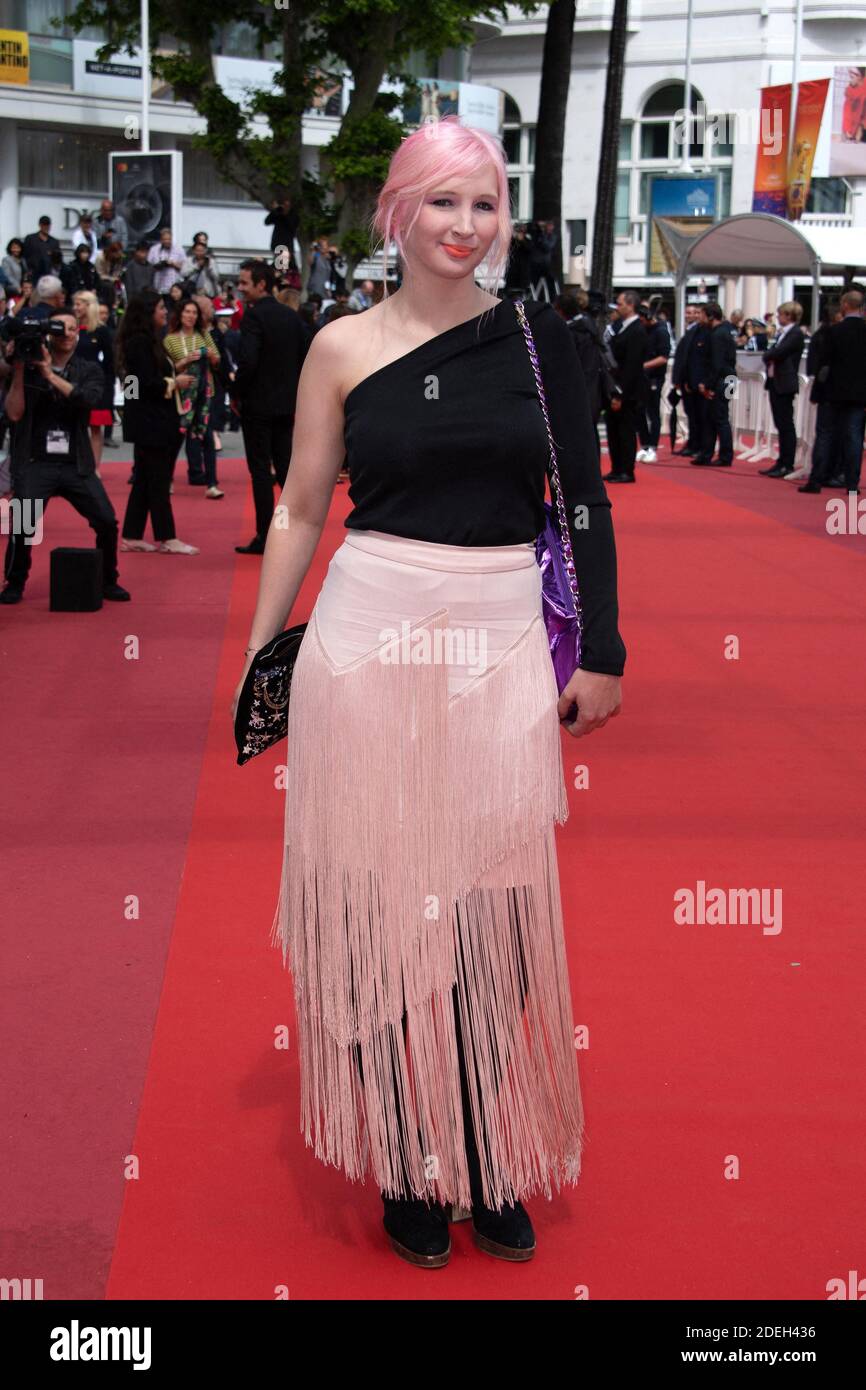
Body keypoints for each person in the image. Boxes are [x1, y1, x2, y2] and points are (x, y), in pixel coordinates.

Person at [230, 116, 626, 1267]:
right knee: (385, 910)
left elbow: (586, 501)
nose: (464, 226)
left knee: (494, 908)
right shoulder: (339, 346)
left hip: (499, 640)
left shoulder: (542, 344)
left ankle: (487, 1149)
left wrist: (599, 648)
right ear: (397, 211)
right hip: (369, 645)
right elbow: (302, 508)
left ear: (503, 219)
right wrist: (269, 661)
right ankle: (407, 1151)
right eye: (441, 203)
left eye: (483, 204)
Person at [0, 310, 129, 605]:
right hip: (36, 461)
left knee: (107, 521)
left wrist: (49, 375)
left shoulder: (88, 369)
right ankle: (14, 581)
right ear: (50, 334)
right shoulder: (28, 366)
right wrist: (19, 367)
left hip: (76, 462)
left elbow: (88, 400)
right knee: (22, 524)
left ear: (79, 334)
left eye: (73, 328)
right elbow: (14, 413)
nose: (67, 333)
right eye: (61, 328)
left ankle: (108, 579)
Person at [232, 259, 309, 552]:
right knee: (286, 469)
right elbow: (307, 353)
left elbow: (248, 361)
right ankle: (294, 532)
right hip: (286, 405)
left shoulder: (254, 317)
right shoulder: (290, 317)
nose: (240, 288)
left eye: (244, 283)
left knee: (261, 471)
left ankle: (266, 536)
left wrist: (235, 392)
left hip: (258, 406)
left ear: (261, 284)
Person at [116, 290, 199, 553]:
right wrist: (175, 382)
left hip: (149, 420)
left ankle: (131, 534)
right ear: (148, 312)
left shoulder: (145, 341)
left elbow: (137, 384)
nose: (166, 312)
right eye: (161, 308)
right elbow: (141, 384)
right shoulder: (139, 343)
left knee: (144, 480)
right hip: (151, 423)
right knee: (158, 481)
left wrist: (177, 370)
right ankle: (167, 537)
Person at [800, 289, 866, 493]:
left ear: (845, 305)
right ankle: (852, 483)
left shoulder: (833, 332)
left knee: (825, 435)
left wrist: (816, 393)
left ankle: (816, 480)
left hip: (832, 392)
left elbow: (824, 365)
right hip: (858, 395)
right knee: (854, 437)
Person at [163, 298, 223, 498]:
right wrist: (186, 361)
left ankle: (212, 483)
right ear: (180, 314)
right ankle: (167, 479)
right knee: (176, 438)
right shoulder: (169, 339)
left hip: (205, 394)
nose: (190, 316)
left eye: (194, 313)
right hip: (182, 396)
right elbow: (168, 368)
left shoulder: (204, 334)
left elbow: (217, 360)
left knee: (207, 439)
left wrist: (210, 356)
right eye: (187, 312)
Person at [798, 302, 843, 493]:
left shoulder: (822, 336)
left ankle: (821, 475)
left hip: (827, 392)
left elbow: (816, 368)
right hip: (836, 392)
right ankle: (836, 475)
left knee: (825, 435)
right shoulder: (830, 336)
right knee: (837, 435)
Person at [604, 289, 648, 483]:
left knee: (625, 430)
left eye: (621, 303)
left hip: (628, 390)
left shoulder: (637, 329)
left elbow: (632, 365)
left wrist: (620, 394)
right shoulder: (619, 326)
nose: (618, 307)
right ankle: (617, 467)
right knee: (614, 429)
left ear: (631, 305)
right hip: (615, 385)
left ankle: (626, 469)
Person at [759, 301, 805, 479]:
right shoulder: (783, 334)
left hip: (784, 383)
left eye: (781, 314)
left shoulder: (795, 334)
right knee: (780, 423)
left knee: (786, 424)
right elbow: (772, 352)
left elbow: (777, 353)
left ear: (789, 315)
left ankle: (787, 463)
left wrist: (770, 355)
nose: (778, 317)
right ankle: (782, 461)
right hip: (775, 382)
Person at [72, 290, 115, 472]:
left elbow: (110, 359)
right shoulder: (70, 327)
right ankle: (75, 463)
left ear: (89, 306)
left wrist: (107, 384)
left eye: (79, 304)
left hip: (95, 382)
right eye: (75, 304)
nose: (76, 307)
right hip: (73, 379)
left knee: (95, 427)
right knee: (75, 425)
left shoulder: (101, 330)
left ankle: (94, 467)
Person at [691, 302, 736, 467]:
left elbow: (716, 363)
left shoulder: (717, 335)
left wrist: (707, 384)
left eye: (701, 314)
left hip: (722, 380)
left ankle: (724, 455)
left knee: (719, 418)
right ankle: (707, 453)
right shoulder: (723, 332)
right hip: (728, 379)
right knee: (713, 417)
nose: (699, 318)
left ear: (710, 316)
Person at [636, 299, 672, 463]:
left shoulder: (661, 331)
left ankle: (653, 446)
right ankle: (644, 444)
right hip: (643, 377)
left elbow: (664, 357)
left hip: (654, 378)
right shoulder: (644, 330)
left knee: (653, 412)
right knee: (640, 411)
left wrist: (643, 365)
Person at [147, 227, 185, 294]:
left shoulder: (179, 249)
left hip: (175, 285)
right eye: (164, 239)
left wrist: (172, 264)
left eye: (169, 239)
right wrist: (159, 265)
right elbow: (148, 266)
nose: (167, 241)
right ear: (161, 239)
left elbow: (184, 267)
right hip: (158, 285)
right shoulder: (154, 249)